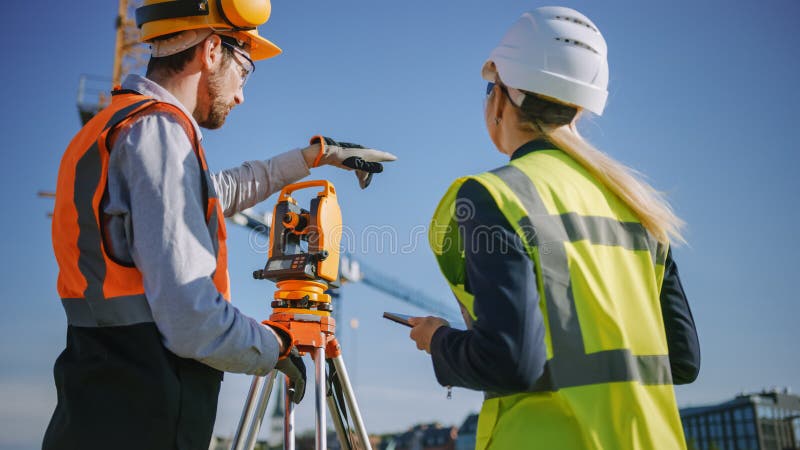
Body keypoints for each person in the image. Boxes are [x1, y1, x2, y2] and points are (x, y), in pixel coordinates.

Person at [44, 1, 396, 449]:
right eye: (245, 70)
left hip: (92, 409)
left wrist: (313, 157)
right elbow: (194, 321)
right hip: (147, 416)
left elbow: (210, 193)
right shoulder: (162, 134)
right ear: (212, 50)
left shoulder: (111, 127)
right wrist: (276, 347)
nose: (242, 94)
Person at [409, 7, 699, 450]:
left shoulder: (496, 195)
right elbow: (682, 362)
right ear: (578, 110)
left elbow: (509, 363)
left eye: (491, 88)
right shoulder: (639, 208)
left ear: (504, 98)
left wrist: (438, 341)